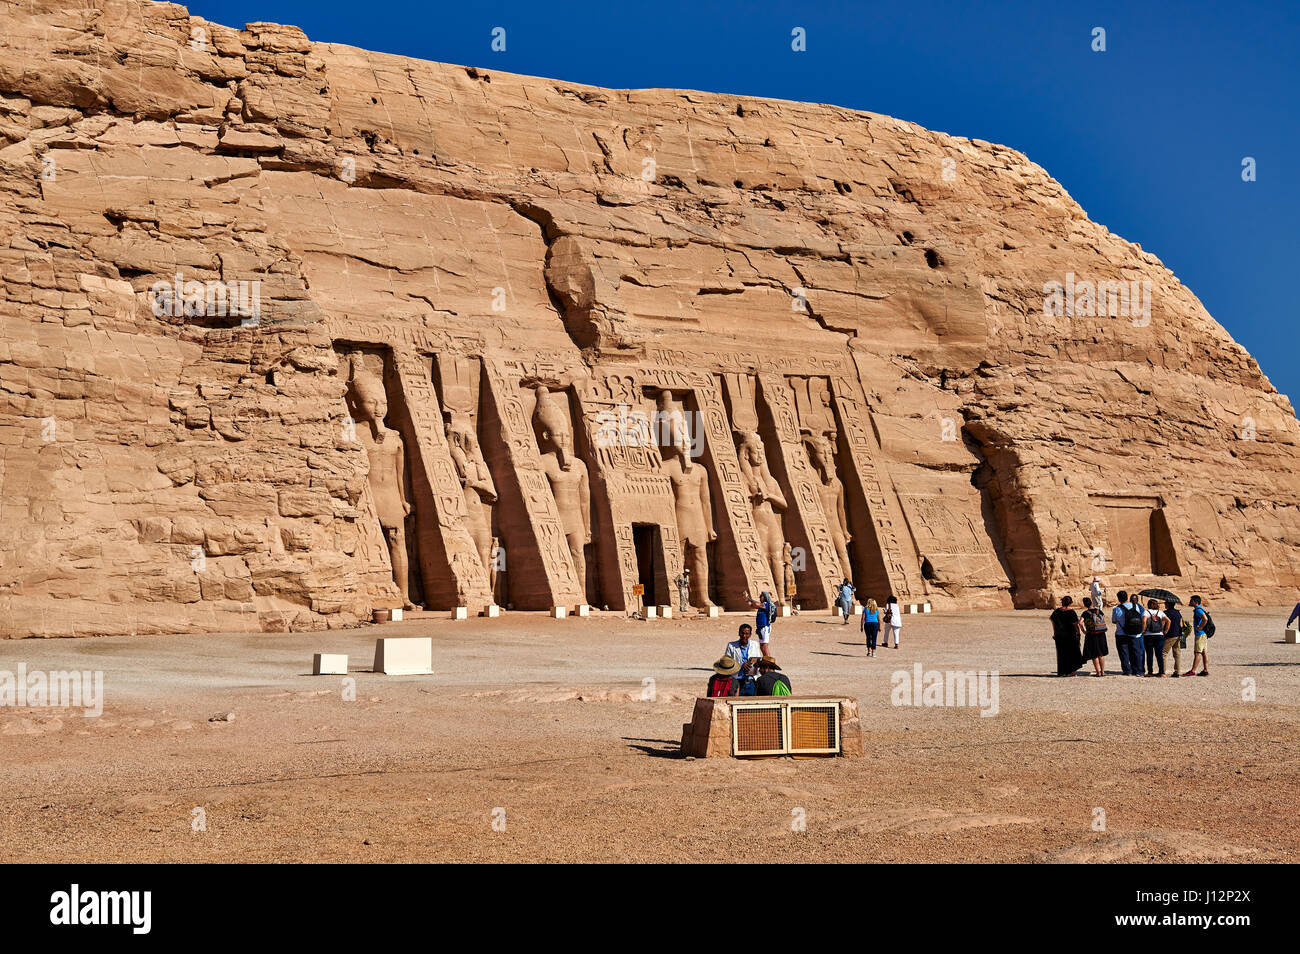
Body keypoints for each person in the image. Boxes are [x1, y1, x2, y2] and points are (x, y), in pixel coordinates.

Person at [1112, 590, 1146, 677]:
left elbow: (1114, 621)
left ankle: (1127, 670)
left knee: (1124, 653)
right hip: (1135, 633)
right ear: (1127, 597)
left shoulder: (1116, 609)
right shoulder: (1136, 606)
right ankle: (1138, 670)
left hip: (1121, 634)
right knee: (1136, 652)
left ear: (1119, 599)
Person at [1049, 595, 1084, 676]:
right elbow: (1075, 624)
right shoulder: (1071, 612)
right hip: (1070, 635)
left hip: (1059, 635)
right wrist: (1078, 633)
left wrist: (1055, 632)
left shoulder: (1057, 611)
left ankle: (1062, 671)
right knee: (1072, 653)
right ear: (1070, 603)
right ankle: (1072, 671)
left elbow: (1053, 622)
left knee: (1061, 654)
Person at [724, 623, 762, 695]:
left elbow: (758, 660)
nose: (744, 636)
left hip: (751, 680)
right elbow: (726, 663)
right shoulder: (731, 646)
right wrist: (741, 665)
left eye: (747, 634)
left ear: (750, 635)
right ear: (739, 633)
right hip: (737, 680)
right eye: (742, 633)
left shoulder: (755, 645)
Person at [1080, 596, 1109, 676]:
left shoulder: (1085, 613)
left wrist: (1083, 631)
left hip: (1091, 634)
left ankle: (1098, 672)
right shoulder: (1098, 610)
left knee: (1094, 654)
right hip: (1101, 633)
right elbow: (1102, 619)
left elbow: (1080, 622)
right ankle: (1103, 671)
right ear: (1092, 603)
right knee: (1101, 653)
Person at [1183, 595, 1211, 676]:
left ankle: (1193, 671)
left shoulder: (1198, 610)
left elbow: (1205, 618)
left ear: (1195, 602)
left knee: (1197, 653)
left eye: (1191, 601)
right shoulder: (1199, 609)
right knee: (1204, 652)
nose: (1190, 602)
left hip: (1200, 634)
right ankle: (1205, 670)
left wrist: (1200, 627)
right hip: (1203, 634)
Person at [1143, 598, 1168, 676]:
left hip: (1148, 635)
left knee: (1149, 654)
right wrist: (1165, 630)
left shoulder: (1146, 612)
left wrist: (1143, 630)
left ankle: (1150, 672)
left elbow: (1144, 621)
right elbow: (1168, 621)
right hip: (1159, 635)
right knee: (1159, 654)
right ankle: (1162, 672)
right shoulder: (1160, 612)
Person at [1162, 599, 1183, 678]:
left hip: (1170, 635)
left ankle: (1162, 671)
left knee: (1163, 653)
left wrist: (1164, 632)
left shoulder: (1166, 613)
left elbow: (1163, 624)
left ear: (1167, 604)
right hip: (1177, 635)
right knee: (1177, 654)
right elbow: (1181, 624)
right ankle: (1177, 671)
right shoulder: (1178, 612)